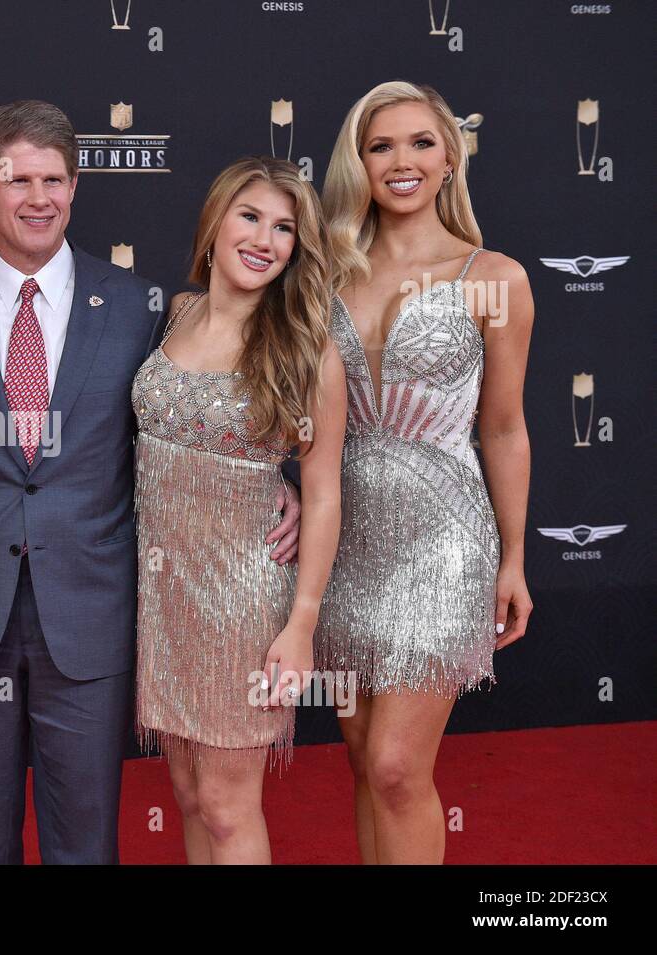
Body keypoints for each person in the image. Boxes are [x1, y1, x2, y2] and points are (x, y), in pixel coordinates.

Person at [0, 101, 303, 864]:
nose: (37, 197)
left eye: (53, 178)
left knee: (86, 837)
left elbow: (190, 416)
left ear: (76, 184)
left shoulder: (140, 308)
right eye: (16, 178)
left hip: (91, 611)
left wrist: (275, 480)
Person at [315, 81, 534, 864]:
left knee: (397, 766)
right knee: (362, 760)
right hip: (341, 542)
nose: (400, 161)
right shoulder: (323, 273)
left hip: (444, 540)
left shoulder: (494, 277)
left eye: (419, 143)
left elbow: (504, 427)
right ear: (358, 161)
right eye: (380, 146)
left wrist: (513, 557)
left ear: (450, 157)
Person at [134, 156, 346, 864]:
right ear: (216, 222)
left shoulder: (308, 351)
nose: (265, 239)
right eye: (251, 217)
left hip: (242, 602)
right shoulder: (175, 314)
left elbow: (321, 492)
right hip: (162, 596)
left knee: (228, 806)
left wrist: (302, 623)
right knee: (191, 796)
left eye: (284, 228)